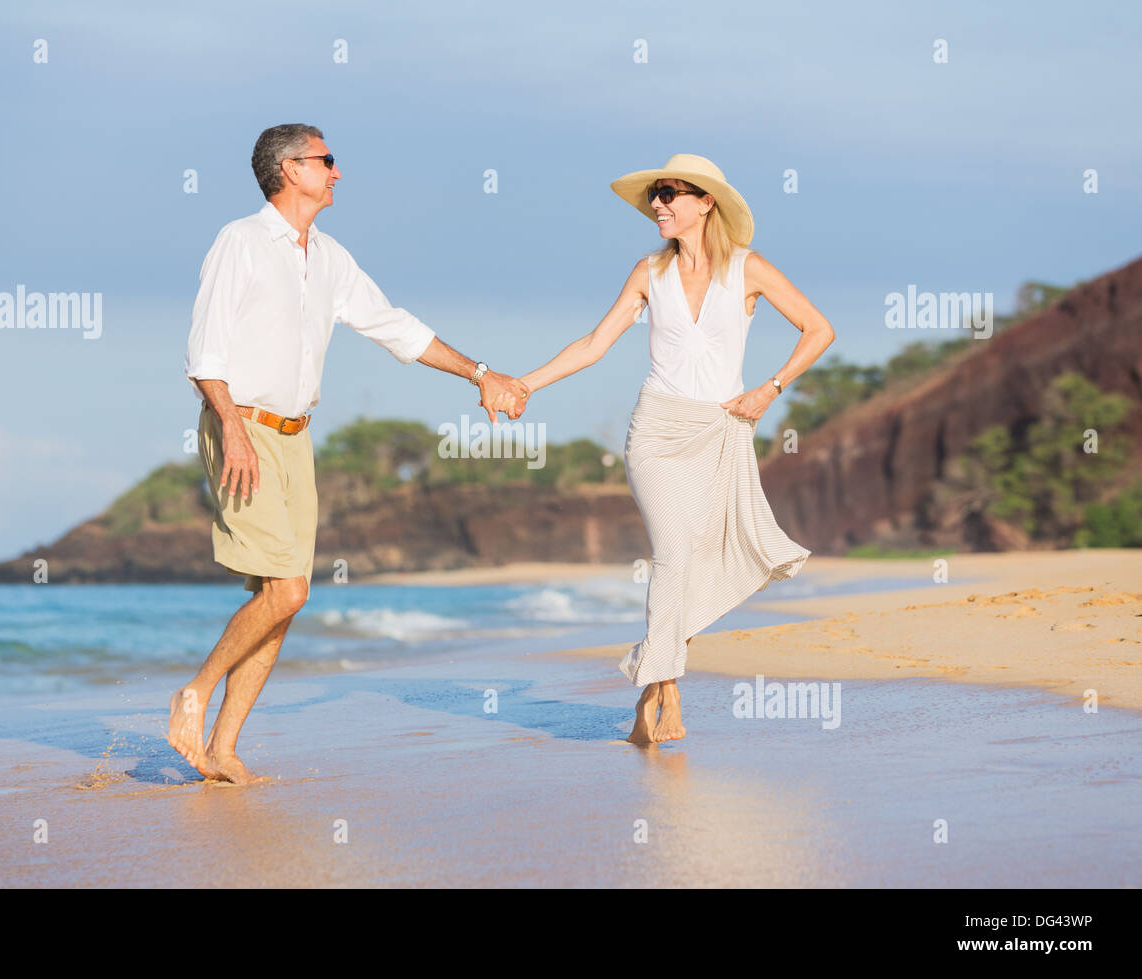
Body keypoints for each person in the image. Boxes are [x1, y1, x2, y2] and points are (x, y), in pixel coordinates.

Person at [169, 124, 528, 783]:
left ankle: (222, 748)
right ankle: (191, 695)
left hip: (296, 436)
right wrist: (233, 430)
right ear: (289, 169)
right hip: (241, 427)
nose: (337, 173)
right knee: (289, 589)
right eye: (326, 161)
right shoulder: (240, 242)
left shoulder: (328, 257)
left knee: (280, 597)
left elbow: (397, 327)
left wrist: (481, 373)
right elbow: (205, 354)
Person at [513, 154, 835, 744]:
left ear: (705, 202)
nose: (658, 205)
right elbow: (593, 344)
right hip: (657, 432)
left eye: (670, 194)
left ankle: (651, 686)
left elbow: (818, 329)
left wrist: (771, 388)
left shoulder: (749, 270)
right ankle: (667, 693)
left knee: (694, 567)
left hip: (721, 431)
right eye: (656, 196)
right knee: (674, 558)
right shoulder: (648, 273)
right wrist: (524, 384)